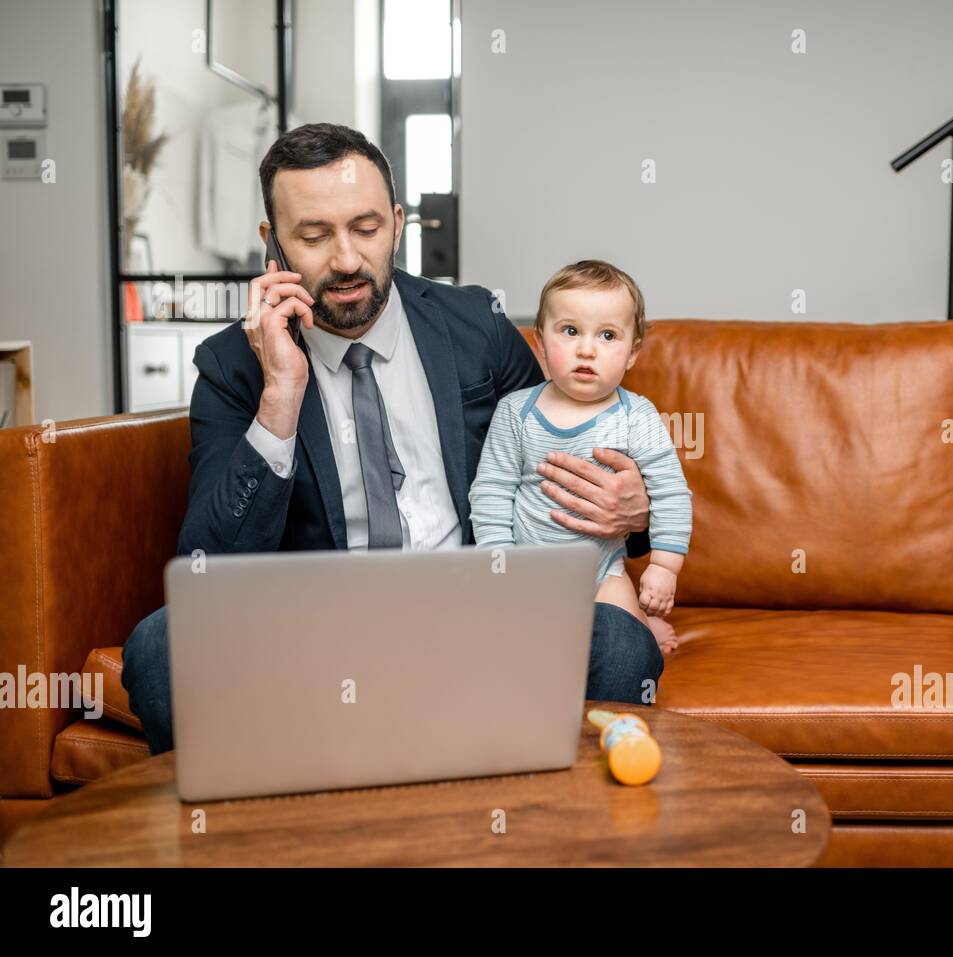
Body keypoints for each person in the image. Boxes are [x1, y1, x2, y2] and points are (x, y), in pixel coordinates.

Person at [121, 123, 667, 756]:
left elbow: (574, 442)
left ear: (399, 223)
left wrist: (636, 510)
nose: (347, 260)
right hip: (317, 638)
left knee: (623, 644)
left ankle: (546, 836)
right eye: (315, 235)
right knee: (162, 648)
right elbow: (206, 572)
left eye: (367, 228)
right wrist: (281, 395)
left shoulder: (475, 327)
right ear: (272, 244)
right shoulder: (233, 367)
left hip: (477, 617)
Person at [469, 261, 692, 652]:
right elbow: (492, 490)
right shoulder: (515, 412)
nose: (586, 349)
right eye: (570, 331)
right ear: (540, 343)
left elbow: (671, 493)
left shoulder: (636, 416)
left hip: (603, 574)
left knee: (623, 649)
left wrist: (664, 565)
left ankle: (641, 626)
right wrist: (498, 559)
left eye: (608, 335)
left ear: (632, 353)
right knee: (509, 654)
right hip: (527, 570)